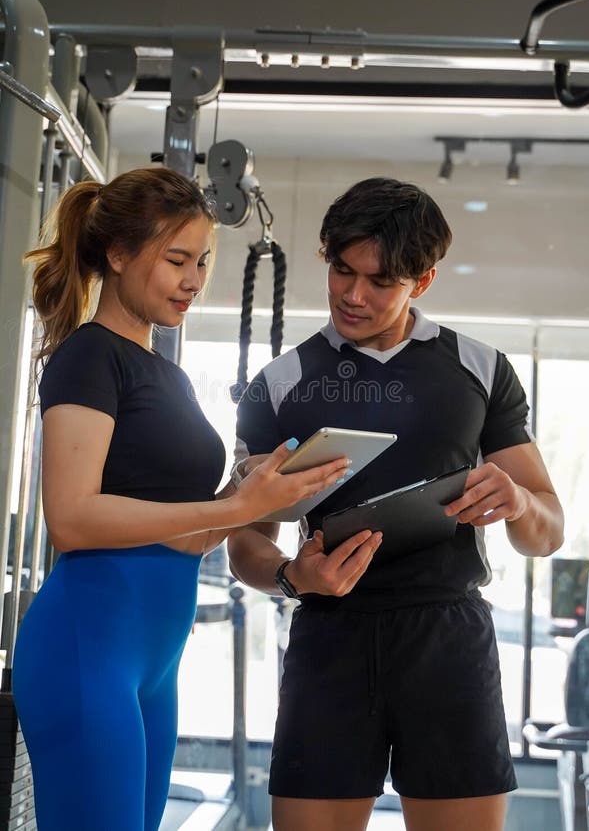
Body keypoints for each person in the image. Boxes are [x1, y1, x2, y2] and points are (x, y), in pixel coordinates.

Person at [11, 166, 351, 831]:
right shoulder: (88, 357)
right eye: (175, 260)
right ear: (117, 254)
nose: (193, 280)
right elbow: (73, 519)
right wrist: (232, 507)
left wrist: (263, 492)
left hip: (153, 663)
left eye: (201, 261)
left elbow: (187, 535)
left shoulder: (166, 374)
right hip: (89, 650)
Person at [227, 177, 564, 831]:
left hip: (447, 637)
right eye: (342, 271)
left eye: (380, 282)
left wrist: (518, 499)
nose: (353, 295)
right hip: (330, 635)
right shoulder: (279, 385)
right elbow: (244, 544)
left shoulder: (480, 368)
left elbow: (545, 534)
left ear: (424, 280)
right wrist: (293, 576)